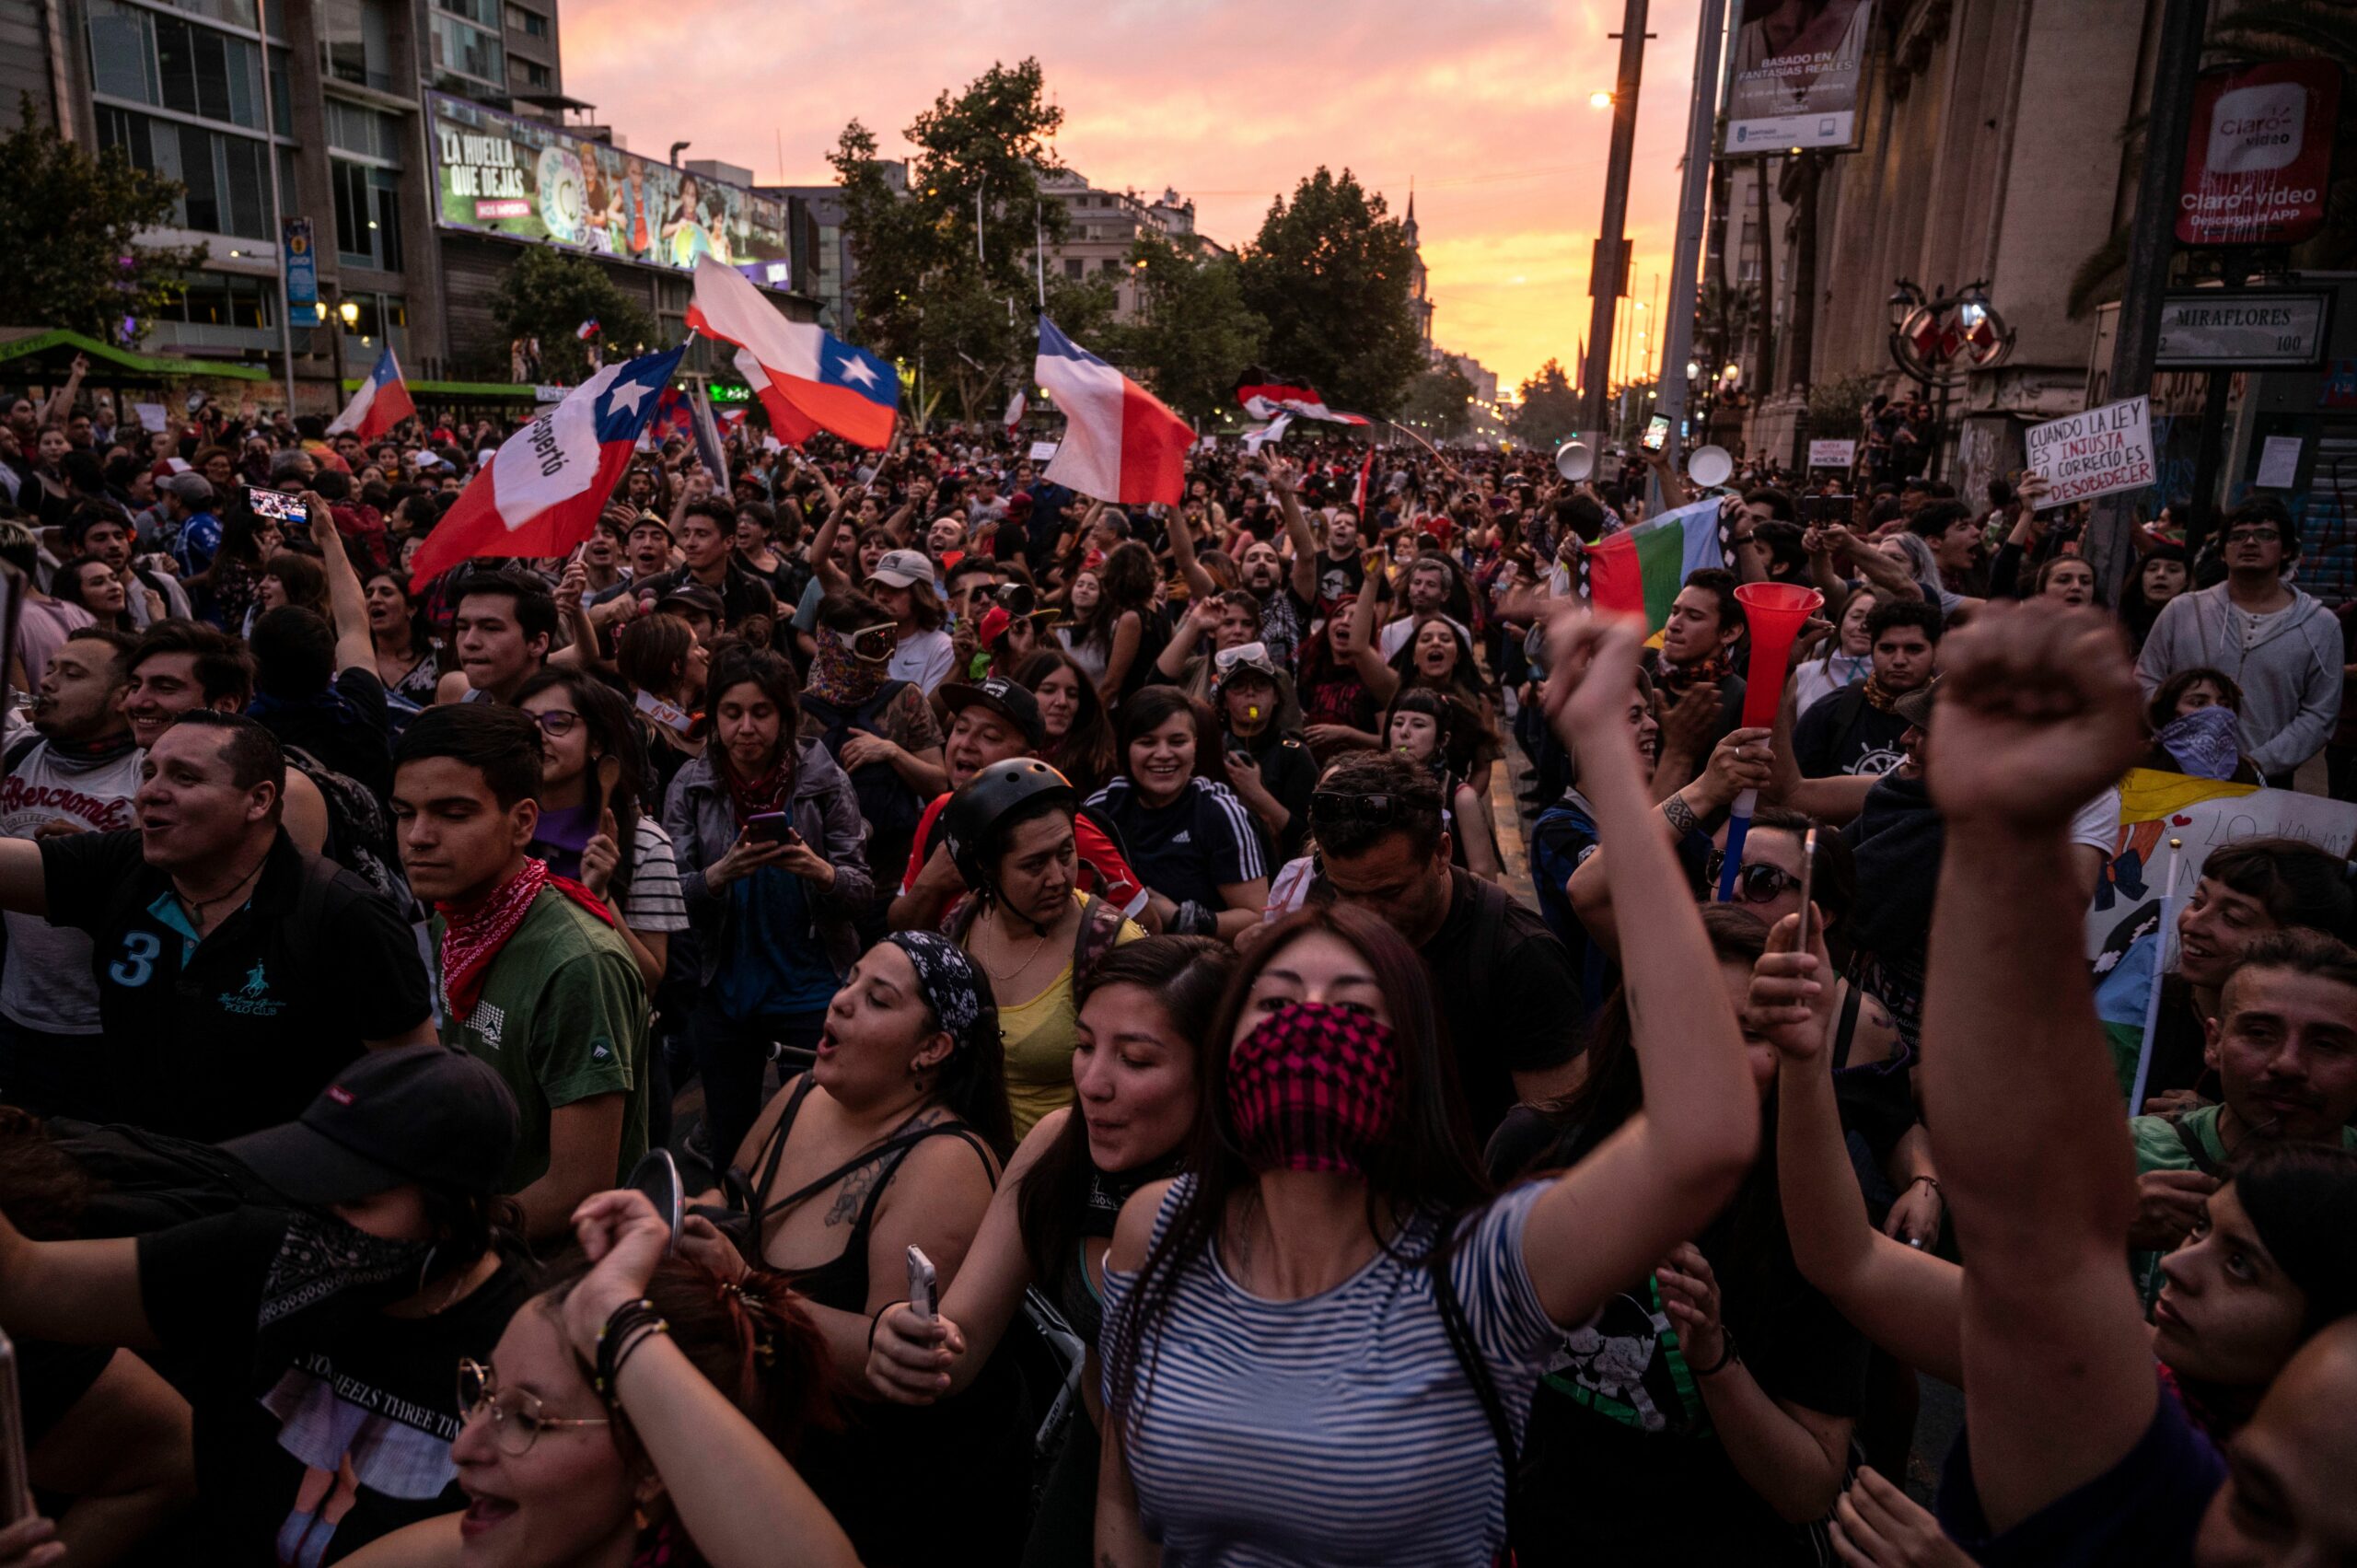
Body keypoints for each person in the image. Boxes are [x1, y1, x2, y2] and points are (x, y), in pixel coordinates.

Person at [1095, 607, 1760, 1566]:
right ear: (1227, 1050)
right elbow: (1121, 1499)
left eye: (1351, 1000)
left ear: (1404, 1057)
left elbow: (1700, 1135)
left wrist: (1612, 760)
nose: (1314, 1013)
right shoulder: (1155, 1228)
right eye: (1280, 994)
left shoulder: (1478, 1266)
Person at [0, 1045, 535, 1566]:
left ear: (454, 1212)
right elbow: (27, 1283)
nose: (319, 1215)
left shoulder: (526, 1347)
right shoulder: (270, 1254)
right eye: (310, 1181)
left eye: (354, 1199)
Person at [1488, 907, 1867, 1565]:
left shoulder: (1811, 1220)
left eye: (1751, 1032)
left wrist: (1714, 1358)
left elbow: (1809, 1487)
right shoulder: (1533, 1151)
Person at [865, 936, 1235, 1562]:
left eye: (1136, 1059)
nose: (1093, 1083)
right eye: (1085, 1045)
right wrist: (907, 1339)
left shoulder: (1255, 1194)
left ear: (1218, 1070)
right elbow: (962, 1335)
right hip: (1095, 1461)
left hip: (1234, 1492)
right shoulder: (1060, 1148)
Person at [691, 930, 1027, 1567]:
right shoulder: (800, 1096)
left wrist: (743, 1287)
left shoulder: (944, 1163)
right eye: (848, 982)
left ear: (932, 1048)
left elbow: (887, 1372)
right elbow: (732, 1198)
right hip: (775, 1446)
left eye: (877, 998)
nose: (840, 1002)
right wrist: (684, 1218)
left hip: (887, 1500)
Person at [341, 1187, 860, 1568]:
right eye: (484, 1392)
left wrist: (614, 1316)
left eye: (526, 1418)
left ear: (651, 1467)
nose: (463, 1447)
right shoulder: (466, 1547)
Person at [0, 710, 435, 1140]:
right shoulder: (124, 866)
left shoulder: (343, 914)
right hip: (150, 1177)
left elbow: (418, 1092)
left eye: (184, 777)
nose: (150, 793)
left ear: (259, 800)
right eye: (149, 772)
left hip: (280, 1195)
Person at [392, 703, 649, 1240]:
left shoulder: (580, 964)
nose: (417, 836)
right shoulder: (456, 918)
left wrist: (441, 1243)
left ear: (522, 822)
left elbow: (576, 1189)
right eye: (404, 812)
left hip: (548, 1274)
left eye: (453, 813)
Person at [665, 645, 868, 1165]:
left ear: (784, 717)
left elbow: (863, 891)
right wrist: (718, 876)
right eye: (732, 714)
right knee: (732, 1135)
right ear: (714, 718)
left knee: (814, 1136)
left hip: (812, 985)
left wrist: (821, 873)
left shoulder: (823, 782)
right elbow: (669, 898)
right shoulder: (691, 787)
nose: (746, 728)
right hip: (725, 990)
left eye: (761, 712)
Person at [1311, 749, 1582, 1139]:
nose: (1366, 917)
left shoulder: (1520, 956)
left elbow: (1553, 1141)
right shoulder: (1328, 891)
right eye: (1347, 895)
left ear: (1441, 852)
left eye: (1390, 893)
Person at [2125, 931, 2357, 1303]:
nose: (2287, 1064)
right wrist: (2102, 1228)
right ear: (2214, 1042)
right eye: (2260, 1033)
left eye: (2326, 1044)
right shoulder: (2122, 1159)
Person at [940, 760, 1145, 1138]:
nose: (1057, 877)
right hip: (970, 1162)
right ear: (986, 867)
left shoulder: (1109, 944)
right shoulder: (961, 925)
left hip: (1064, 1173)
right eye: (1034, 865)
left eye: (1066, 853)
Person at [0, 628, 139, 1119]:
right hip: (16, 1020)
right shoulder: (17, 753)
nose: (49, 682)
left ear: (124, 696)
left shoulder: (149, 775)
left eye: (73, 673)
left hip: (108, 1030)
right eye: (53, 668)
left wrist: (101, 861)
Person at [890, 674, 1150, 935]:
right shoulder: (940, 811)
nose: (965, 744)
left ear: (1027, 760)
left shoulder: (1066, 831)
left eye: (990, 737)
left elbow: (1145, 924)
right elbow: (900, 929)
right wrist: (929, 884)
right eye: (960, 728)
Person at [2137, 499, 2342, 786]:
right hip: (2176, 773)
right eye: (2237, 536)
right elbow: (2146, 679)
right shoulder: (2182, 610)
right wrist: (2178, 740)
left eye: (2265, 535)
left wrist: (2258, 762)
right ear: (2222, 552)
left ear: (2286, 550)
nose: (2249, 542)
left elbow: (2320, 713)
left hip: (2267, 781)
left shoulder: (2320, 625)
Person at [515, 669, 689, 996]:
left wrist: (598, 898)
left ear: (596, 741)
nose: (537, 735)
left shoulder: (643, 844)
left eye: (558, 722)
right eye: (525, 722)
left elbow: (648, 981)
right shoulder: (499, 829)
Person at [796, 590, 946, 920]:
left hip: (891, 883)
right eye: (873, 644)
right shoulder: (800, 711)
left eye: (890, 641)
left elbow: (939, 785)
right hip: (821, 885)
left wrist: (892, 752)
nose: (885, 655)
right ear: (837, 647)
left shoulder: (905, 699)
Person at [1086, 686, 1270, 941]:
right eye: (1147, 742)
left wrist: (1183, 918)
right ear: (1125, 749)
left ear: (1194, 747)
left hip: (1196, 966)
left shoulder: (1220, 813)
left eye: (1177, 741)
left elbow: (1256, 917)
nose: (1163, 754)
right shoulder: (1101, 809)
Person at [1792, 598, 1941, 779]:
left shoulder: (1951, 718)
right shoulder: (1830, 711)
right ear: (1872, 651)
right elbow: (1792, 790)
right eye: (1887, 649)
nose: (1899, 660)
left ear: (1936, 653)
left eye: (1913, 649)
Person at [1653, 567, 1747, 784]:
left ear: (1729, 632)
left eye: (1694, 617)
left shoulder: (1741, 700)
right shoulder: (1641, 670)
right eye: (1675, 612)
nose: (1675, 625)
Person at [433, 572, 555, 706]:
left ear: (537, 643)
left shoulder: (563, 719)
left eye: (491, 628)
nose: (469, 642)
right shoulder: (468, 706)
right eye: (463, 627)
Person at [1016, 646, 1118, 796]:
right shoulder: (1001, 756)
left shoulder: (1096, 767)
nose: (1062, 702)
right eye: (1049, 690)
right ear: (1023, 693)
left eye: (1072, 694)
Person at [2141, 667, 2262, 782]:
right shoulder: (2142, 763)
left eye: (2225, 705)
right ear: (2169, 711)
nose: (2216, 710)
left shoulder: (2247, 772)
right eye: (2199, 703)